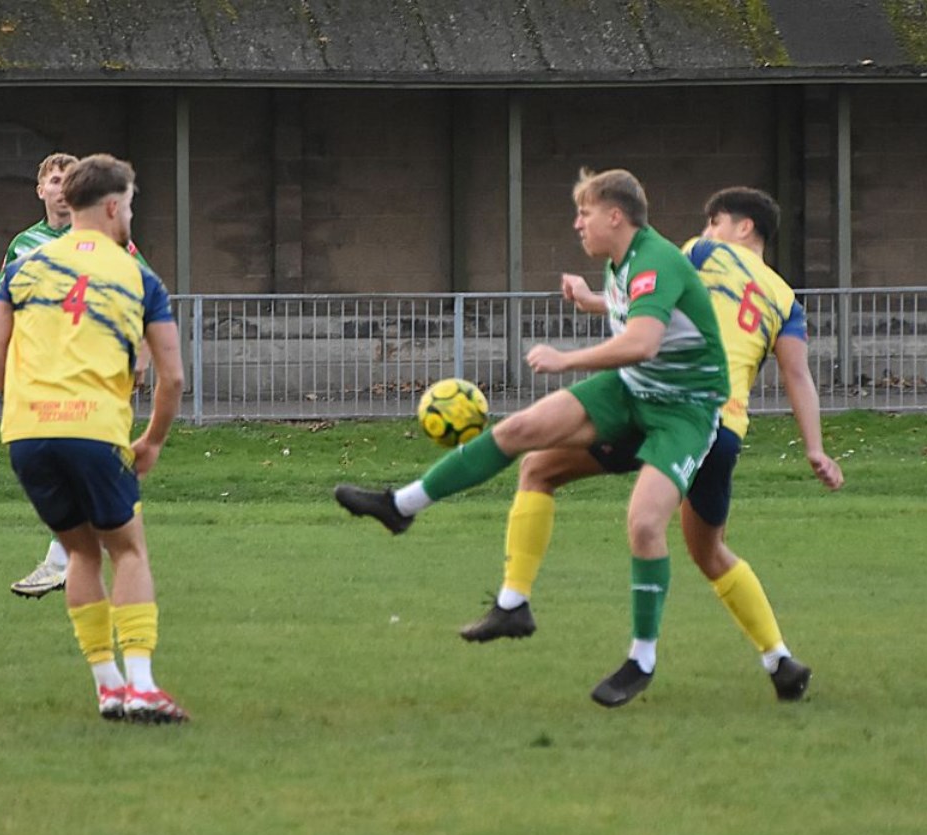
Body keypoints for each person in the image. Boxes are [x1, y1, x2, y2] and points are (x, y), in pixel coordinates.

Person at [337, 167, 730, 708]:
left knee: (644, 525)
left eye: (584, 213)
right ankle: (402, 507)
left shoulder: (657, 260)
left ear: (615, 216)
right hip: (631, 391)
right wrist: (593, 300)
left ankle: (641, 659)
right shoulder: (624, 263)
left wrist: (566, 359)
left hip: (684, 412)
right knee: (521, 433)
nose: (577, 224)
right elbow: (639, 308)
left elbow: (642, 341)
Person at [458, 187, 844, 702]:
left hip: (672, 408)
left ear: (743, 227)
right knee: (709, 552)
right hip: (725, 429)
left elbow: (651, 299)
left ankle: (519, 604)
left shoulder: (704, 254)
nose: (705, 231)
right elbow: (797, 375)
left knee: (540, 470)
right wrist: (815, 448)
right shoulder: (784, 298)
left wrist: (592, 301)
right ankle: (780, 660)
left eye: (714, 221)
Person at [0, 153, 188, 723]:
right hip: (94, 428)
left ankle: (107, 687)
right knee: (128, 549)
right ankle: (141, 686)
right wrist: (153, 441)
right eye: (131, 206)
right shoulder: (138, 275)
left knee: (79, 552)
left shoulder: (24, 265)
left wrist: (22, 404)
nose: (130, 216)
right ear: (114, 207)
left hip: (28, 433)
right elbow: (171, 376)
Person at [0, 152, 152, 600]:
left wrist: (140, 358)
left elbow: (146, 295)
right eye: (54, 180)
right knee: (74, 466)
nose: (61, 190)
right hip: (45, 376)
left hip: (94, 374)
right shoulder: (24, 246)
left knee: (85, 468)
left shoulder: (110, 242)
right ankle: (72, 558)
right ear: (40, 189)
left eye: (69, 181)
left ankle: (69, 558)